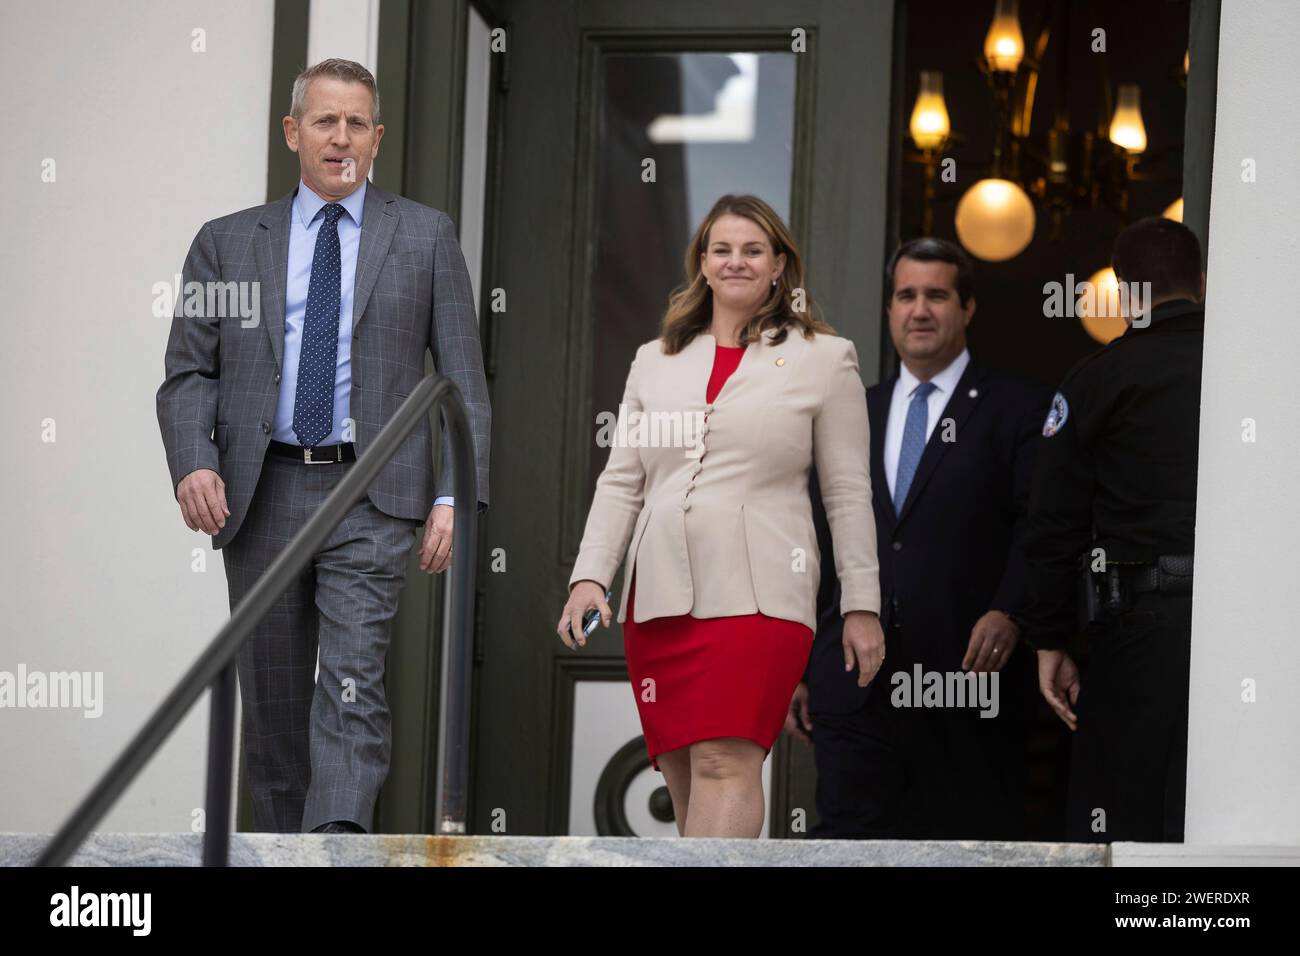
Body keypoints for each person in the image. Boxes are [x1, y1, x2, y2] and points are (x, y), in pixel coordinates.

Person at [155, 58, 491, 834]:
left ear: (377, 138)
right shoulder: (226, 244)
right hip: (262, 494)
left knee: (351, 683)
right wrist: (194, 460)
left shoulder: (426, 236)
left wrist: (451, 496)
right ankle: (280, 852)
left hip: (373, 495)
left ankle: (335, 850)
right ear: (292, 133)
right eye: (324, 121)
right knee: (271, 709)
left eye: (356, 124)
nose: (340, 138)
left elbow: (463, 381)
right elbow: (188, 373)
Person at [558, 195, 884, 838]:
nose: (736, 261)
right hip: (657, 601)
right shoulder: (655, 359)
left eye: (753, 250)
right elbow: (623, 479)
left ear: (779, 265)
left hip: (759, 597)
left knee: (722, 760)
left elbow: (848, 492)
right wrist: (590, 576)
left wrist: (860, 603)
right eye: (722, 249)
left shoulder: (825, 357)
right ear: (702, 264)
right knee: (681, 769)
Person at [793, 238, 1048, 839]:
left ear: (967, 307)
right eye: (906, 295)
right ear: (889, 310)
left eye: (937, 295)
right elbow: (810, 539)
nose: (920, 310)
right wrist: (797, 666)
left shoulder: (1019, 407)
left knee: (963, 847)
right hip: (852, 682)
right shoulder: (850, 409)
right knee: (849, 849)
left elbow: (1040, 526)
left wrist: (1010, 610)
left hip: (967, 684)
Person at [1022, 216, 1205, 843]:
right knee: (1225, 815)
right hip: (1253, 625)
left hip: (1139, 630)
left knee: (1125, 821)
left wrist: (1050, 638)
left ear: (1123, 293)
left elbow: (1052, 521)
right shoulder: (1255, 374)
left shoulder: (1097, 378)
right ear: (1203, 284)